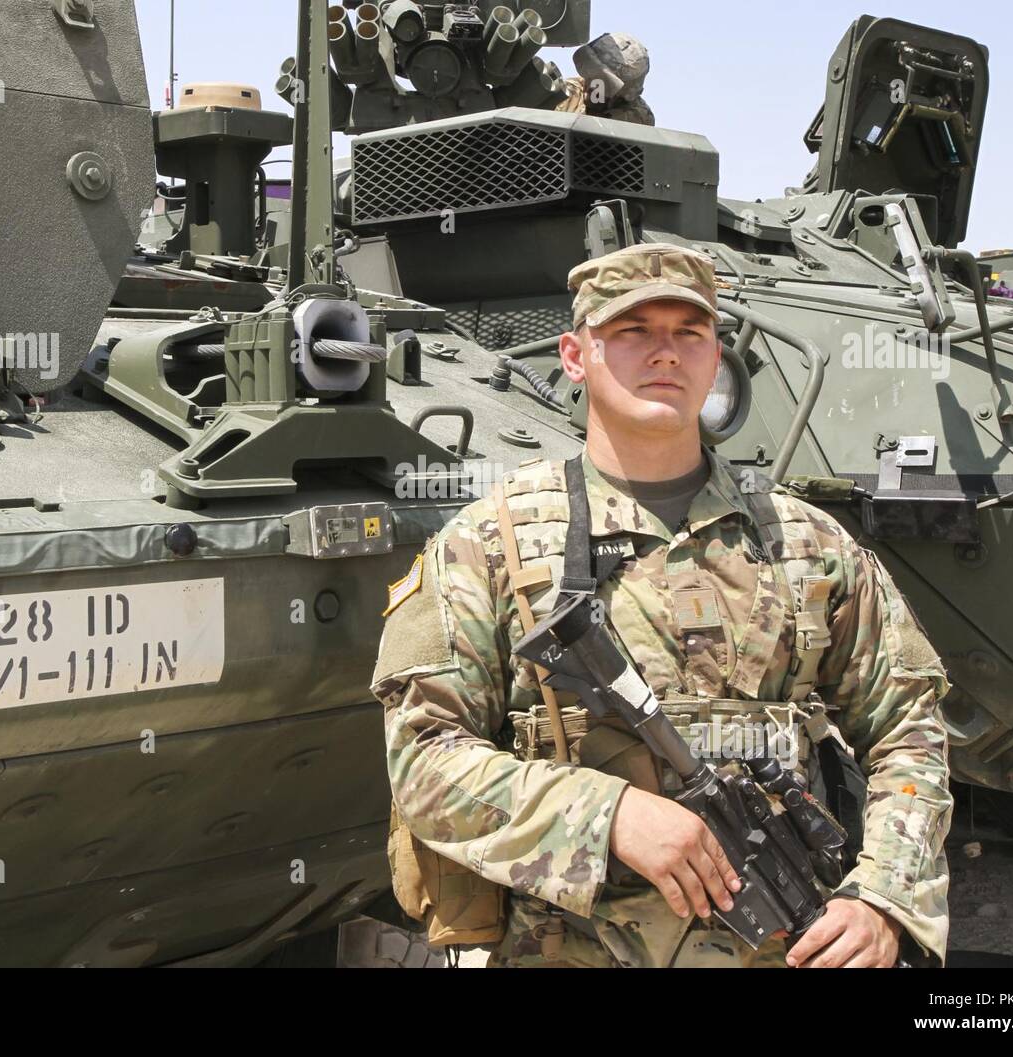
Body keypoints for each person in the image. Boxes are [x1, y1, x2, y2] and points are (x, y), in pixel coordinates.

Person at [371, 243, 954, 968]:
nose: (666, 353)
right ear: (575, 356)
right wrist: (608, 815)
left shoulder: (808, 541)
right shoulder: (490, 545)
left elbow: (911, 730)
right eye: (633, 331)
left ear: (715, 360)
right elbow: (423, 762)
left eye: (689, 333)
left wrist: (882, 897)